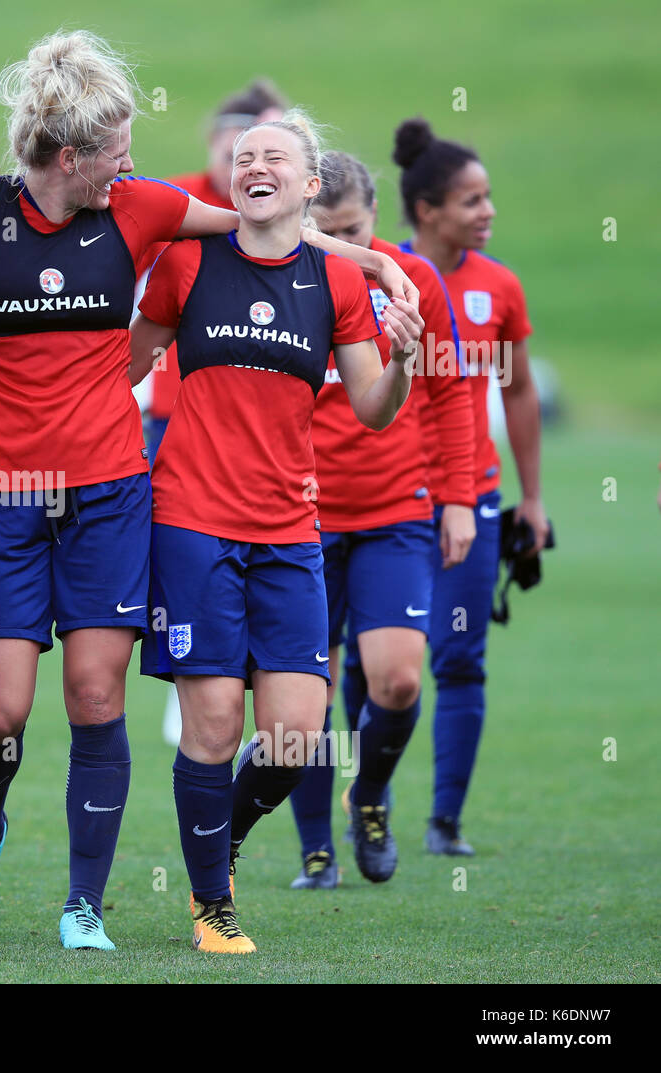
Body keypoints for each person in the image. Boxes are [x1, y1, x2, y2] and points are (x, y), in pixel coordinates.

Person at [0, 30, 416, 950]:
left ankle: (84, 906)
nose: (134, 163)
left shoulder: (143, 210)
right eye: (118, 149)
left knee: (97, 698)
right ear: (73, 155)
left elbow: (260, 228)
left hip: (108, 490)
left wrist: (370, 261)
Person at [130, 111, 424, 952]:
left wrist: (402, 356)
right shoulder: (186, 263)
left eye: (275, 159)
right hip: (190, 521)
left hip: (290, 528)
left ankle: (214, 839)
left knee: (298, 731)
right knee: (216, 723)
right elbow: (119, 363)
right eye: (244, 156)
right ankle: (211, 904)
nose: (254, 165)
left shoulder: (334, 286)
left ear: (306, 186)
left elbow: (372, 409)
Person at [286, 150, 476, 890]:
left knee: (397, 680)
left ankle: (366, 793)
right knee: (306, 695)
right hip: (298, 515)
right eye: (330, 233)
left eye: (358, 229)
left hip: (395, 509)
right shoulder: (287, 277)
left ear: (375, 217)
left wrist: (458, 496)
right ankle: (314, 850)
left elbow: (453, 392)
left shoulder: (412, 280)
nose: (354, 252)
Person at [379, 117, 548, 855]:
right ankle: (368, 800)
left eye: (488, 198)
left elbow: (514, 394)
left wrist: (532, 497)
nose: (488, 212)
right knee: (370, 659)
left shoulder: (499, 286)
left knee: (460, 656)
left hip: (470, 494)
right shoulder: (380, 274)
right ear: (427, 212)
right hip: (388, 498)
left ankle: (445, 820)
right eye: (472, 200)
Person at [143, 79, 289, 746]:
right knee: (175, 556)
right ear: (214, 138)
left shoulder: (280, 215)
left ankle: (245, 677)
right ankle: (190, 676)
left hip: (260, 426)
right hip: (174, 411)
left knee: (256, 553)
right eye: (236, 134)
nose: (246, 149)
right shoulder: (174, 200)